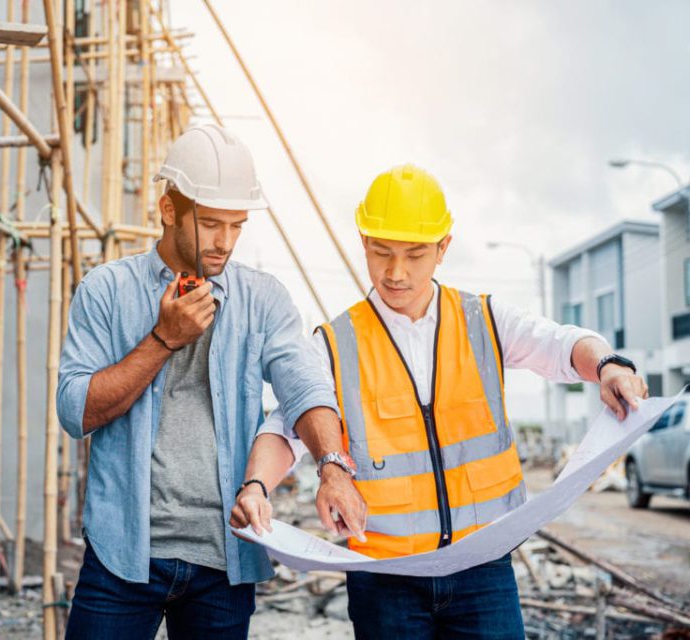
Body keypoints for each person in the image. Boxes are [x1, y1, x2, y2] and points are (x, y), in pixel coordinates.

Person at [230, 164, 649, 639]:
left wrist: (608, 364)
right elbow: (286, 426)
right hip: (385, 578)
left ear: (443, 248)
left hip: (483, 570)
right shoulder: (333, 343)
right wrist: (256, 487)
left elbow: (560, 343)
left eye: (414, 254)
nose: (396, 272)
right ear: (363, 241)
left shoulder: (483, 320)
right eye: (381, 252)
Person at [56, 123, 366, 640]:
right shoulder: (106, 290)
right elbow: (75, 411)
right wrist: (163, 338)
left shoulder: (262, 299)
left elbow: (305, 386)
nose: (225, 242)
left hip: (225, 561)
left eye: (237, 226)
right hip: (121, 556)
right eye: (210, 224)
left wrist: (333, 467)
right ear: (168, 210)